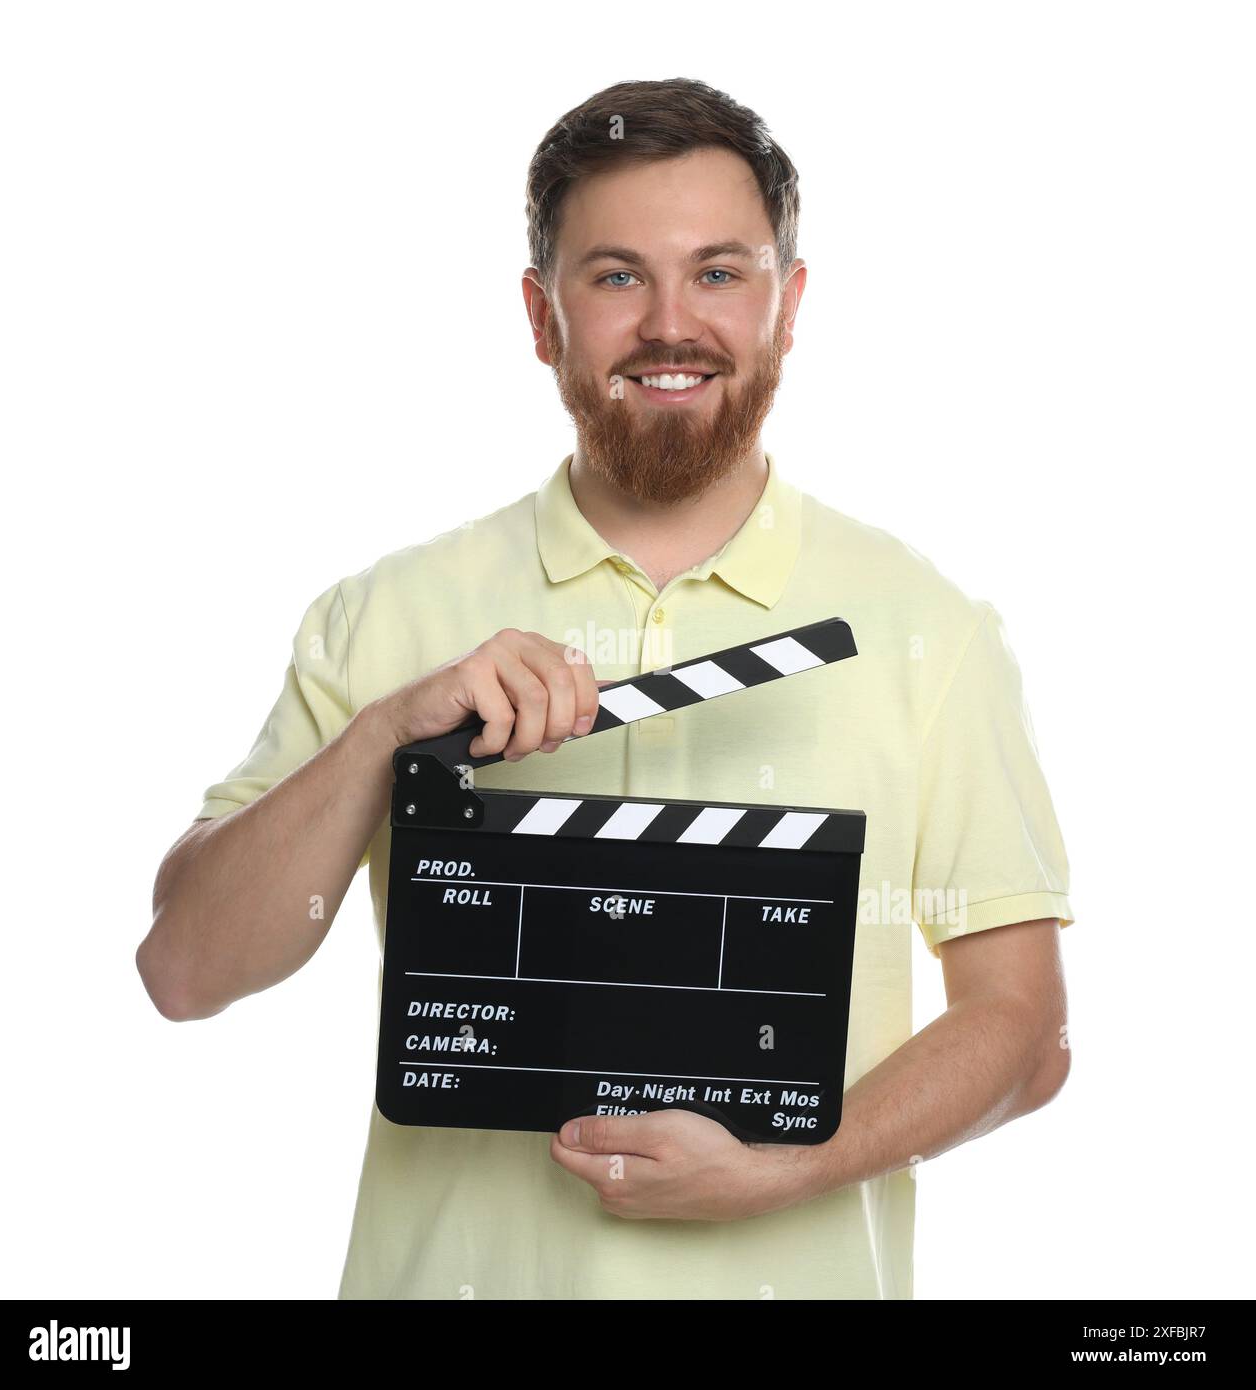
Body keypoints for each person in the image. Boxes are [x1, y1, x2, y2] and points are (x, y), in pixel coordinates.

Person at [139, 77, 1076, 1300]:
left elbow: (1022, 1029)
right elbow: (184, 968)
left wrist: (796, 1163)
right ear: (541, 316)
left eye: (720, 273)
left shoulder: (926, 631)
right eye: (617, 275)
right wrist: (385, 738)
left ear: (788, 308)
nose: (670, 323)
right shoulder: (386, 617)